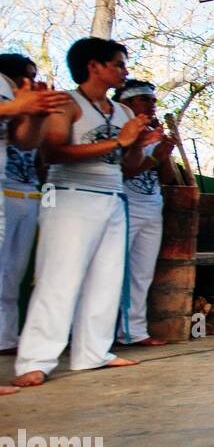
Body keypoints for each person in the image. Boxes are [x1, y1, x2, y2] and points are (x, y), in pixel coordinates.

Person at [13, 38, 148, 387]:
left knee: (106, 280)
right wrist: (119, 142)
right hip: (69, 195)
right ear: (94, 66)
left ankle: (93, 352)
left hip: (113, 196)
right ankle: (36, 358)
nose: (124, 71)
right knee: (59, 278)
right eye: (118, 64)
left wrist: (138, 145)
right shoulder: (66, 103)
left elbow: (129, 167)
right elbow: (54, 153)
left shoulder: (124, 112)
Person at [115, 79, 178, 347]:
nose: (152, 105)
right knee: (113, 270)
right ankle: (96, 335)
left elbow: (168, 177)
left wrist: (164, 153)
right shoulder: (120, 129)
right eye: (145, 99)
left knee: (142, 273)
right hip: (123, 203)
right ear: (126, 103)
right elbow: (125, 170)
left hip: (152, 205)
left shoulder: (155, 131)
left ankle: (133, 331)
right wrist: (151, 155)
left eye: (153, 100)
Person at [0, 54, 55, 357]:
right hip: (6, 193)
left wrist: (37, 114)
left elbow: (27, 145)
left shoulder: (21, 103)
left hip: (28, 196)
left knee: (13, 274)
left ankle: (6, 338)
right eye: (28, 75)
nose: (32, 81)